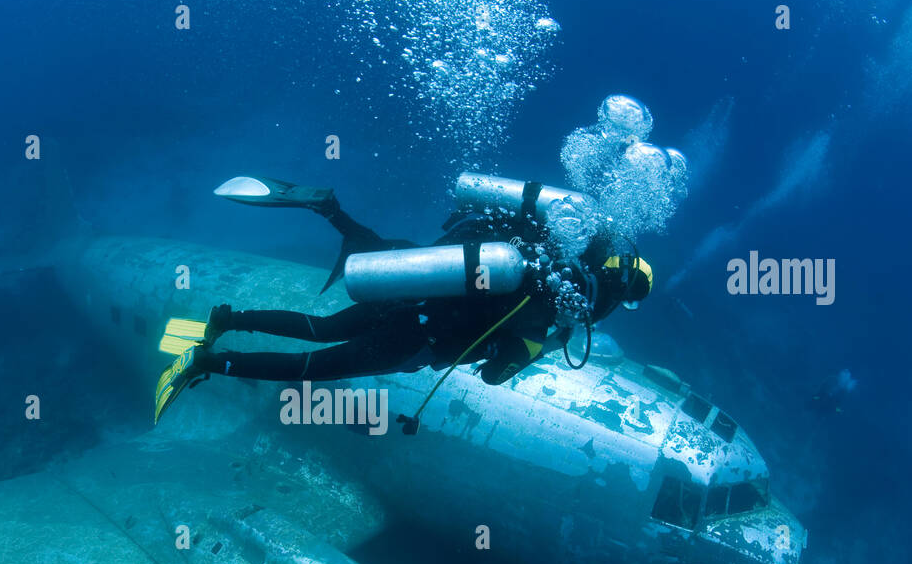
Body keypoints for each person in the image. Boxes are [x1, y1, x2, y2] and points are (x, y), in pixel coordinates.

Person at [154, 175, 654, 427]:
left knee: (320, 328)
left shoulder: (532, 250)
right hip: (417, 340)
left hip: (410, 290)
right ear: (607, 301)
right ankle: (207, 361)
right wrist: (548, 344)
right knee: (310, 368)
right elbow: (493, 374)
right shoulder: (544, 315)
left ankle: (227, 318)